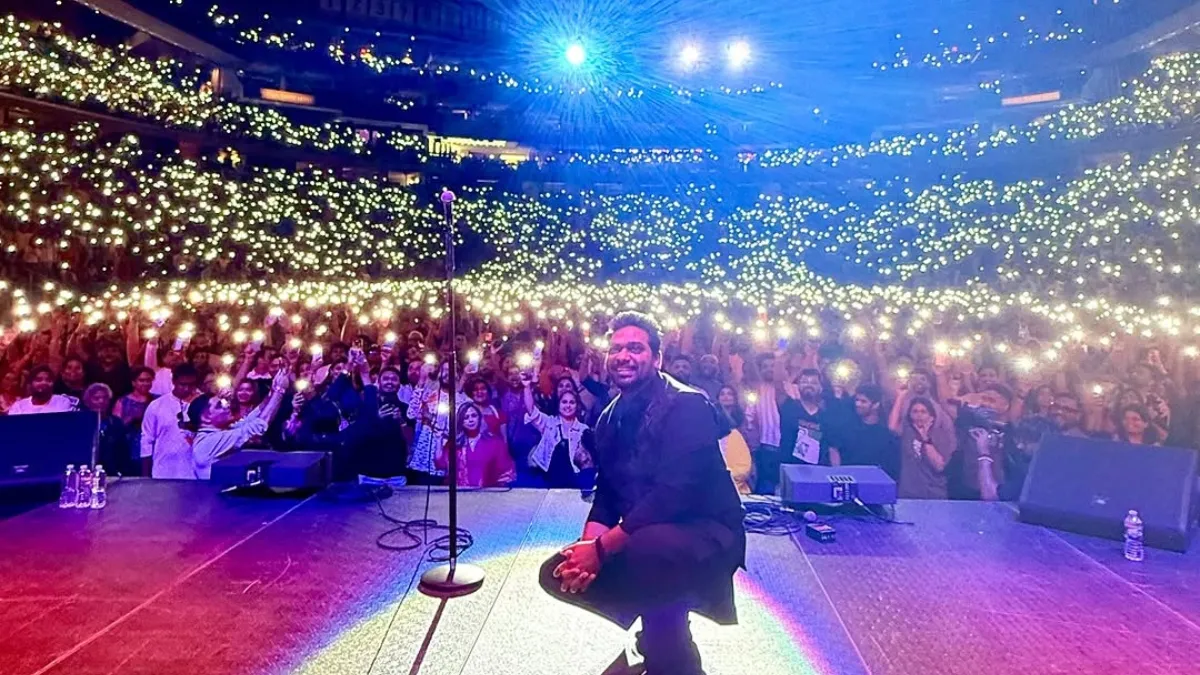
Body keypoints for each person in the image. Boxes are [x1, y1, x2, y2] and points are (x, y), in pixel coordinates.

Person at [538, 311, 745, 675]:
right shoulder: (607, 416)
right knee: (554, 571)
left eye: (635, 348)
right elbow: (607, 496)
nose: (623, 356)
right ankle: (663, 642)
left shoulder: (687, 404)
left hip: (706, 530)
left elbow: (675, 494)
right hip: (645, 534)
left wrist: (603, 550)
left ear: (657, 358)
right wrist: (587, 553)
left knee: (647, 550)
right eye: (616, 348)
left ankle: (666, 651)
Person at [188, 367, 291, 479]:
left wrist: (273, 389)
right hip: (212, 495)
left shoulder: (218, 433)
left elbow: (251, 418)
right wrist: (279, 391)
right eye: (219, 406)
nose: (226, 407)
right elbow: (257, 427)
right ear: (206, 418)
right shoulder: (208, 443)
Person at [525, 379, 595, 489]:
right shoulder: (549, 423)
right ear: (558, 405)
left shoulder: (583, 429)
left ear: (577, 406)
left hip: (573, 478)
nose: (568, 406)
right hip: (547, 478)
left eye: (572, 402)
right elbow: (531, 411)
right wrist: (526, 386)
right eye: (564, 402)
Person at [139, 364, 202, 478]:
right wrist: (146, 475)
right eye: (182, 384)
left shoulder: (203, 405)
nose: (187, 389)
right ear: (173, 381)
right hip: (163, 471)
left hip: (194, 472)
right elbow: (147, 439)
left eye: (191, 385)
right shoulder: (157, 405)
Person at [435, 402, 516, 487]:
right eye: (466, 418)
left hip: (487, 494)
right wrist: (438, 439)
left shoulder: (494, 442)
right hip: (461, 494)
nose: (471, 420)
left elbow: (506, 471)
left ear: (479, 418)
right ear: (461, 422)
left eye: (474, 416)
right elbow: (440, 463)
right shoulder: (455, 444)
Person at [829, 383, 900, 480]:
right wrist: (838, 474)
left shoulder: (886, 435)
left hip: (874, 483)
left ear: (876, 405)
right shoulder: (846, 427)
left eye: (863, 401)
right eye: (857, 400)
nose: (858, 404)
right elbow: (833, 448)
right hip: (849, 482)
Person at [897, 396, 956, 499]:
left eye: (923, 412)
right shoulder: (907, 432)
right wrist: (900, 396)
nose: (919, 415)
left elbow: (939, 466)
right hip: (908, 493)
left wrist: (925, 438)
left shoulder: (942, 436)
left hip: (934, 494)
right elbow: (891, 427)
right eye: (915, 412)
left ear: (932, 416)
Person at [715, 385, 753, 494]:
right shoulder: (713, 419)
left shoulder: (739, 423)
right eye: (722, 394)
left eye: (729, 394)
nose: (726, 397)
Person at [8, 365, 78, 415]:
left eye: (48, 380)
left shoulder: (63, 402)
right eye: (38, 380)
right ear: (30, 383)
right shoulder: (19, 407)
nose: (44, 383)